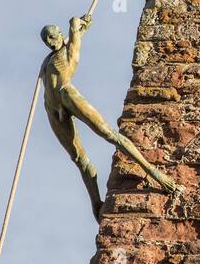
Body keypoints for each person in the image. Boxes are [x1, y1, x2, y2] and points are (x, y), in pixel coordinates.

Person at [39, 14, 175, 219]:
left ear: (59, 34)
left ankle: (152, 171)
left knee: (108, 133)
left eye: (51, 36)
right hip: (51, 107)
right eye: (46, 40)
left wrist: (77, 25)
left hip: (67, 95)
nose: (49, 42)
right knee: (78, 158)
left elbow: (75, 27)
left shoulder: (69, 50)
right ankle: (96, 203)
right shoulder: (48, 59)